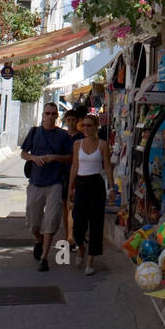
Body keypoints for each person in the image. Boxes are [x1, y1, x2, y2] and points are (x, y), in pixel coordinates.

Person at [20, 103, 73, 271]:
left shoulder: (63, 136)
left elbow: (70, 158)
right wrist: (33, 158)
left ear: (57, 116)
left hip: (55, 183)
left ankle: (44, 257)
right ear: (43, 115)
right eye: (47, 113)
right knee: (33, 222)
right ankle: (39, 239)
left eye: (53, 114)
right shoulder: (34, 132)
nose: (50, 116)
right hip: (36, 182)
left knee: (51, 219)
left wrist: (55, 157)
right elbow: (23, 153)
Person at [69, 113, 115, 276]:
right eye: (84, 126)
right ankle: (81, 247)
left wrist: (111, 187)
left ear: (96, 127)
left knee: (96, 223)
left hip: (96, 184)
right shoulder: (77, 144)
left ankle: (90, 260)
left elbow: (108, 167)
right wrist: (70, 188)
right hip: (81, 184)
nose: (86, 128)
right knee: (78, 223)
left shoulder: (103, 145)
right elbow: (74, 166)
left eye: (90, 125)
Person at [61, 106, 86, 246]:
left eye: (73, 120)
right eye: (68, 120)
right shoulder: (62, 137)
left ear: (77, 121)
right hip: (63, 175)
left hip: (78, 175)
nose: (70, 123)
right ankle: (68, 234)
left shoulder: (81, 138)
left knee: (72, 206)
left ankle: (72, 235)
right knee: (65, 205)